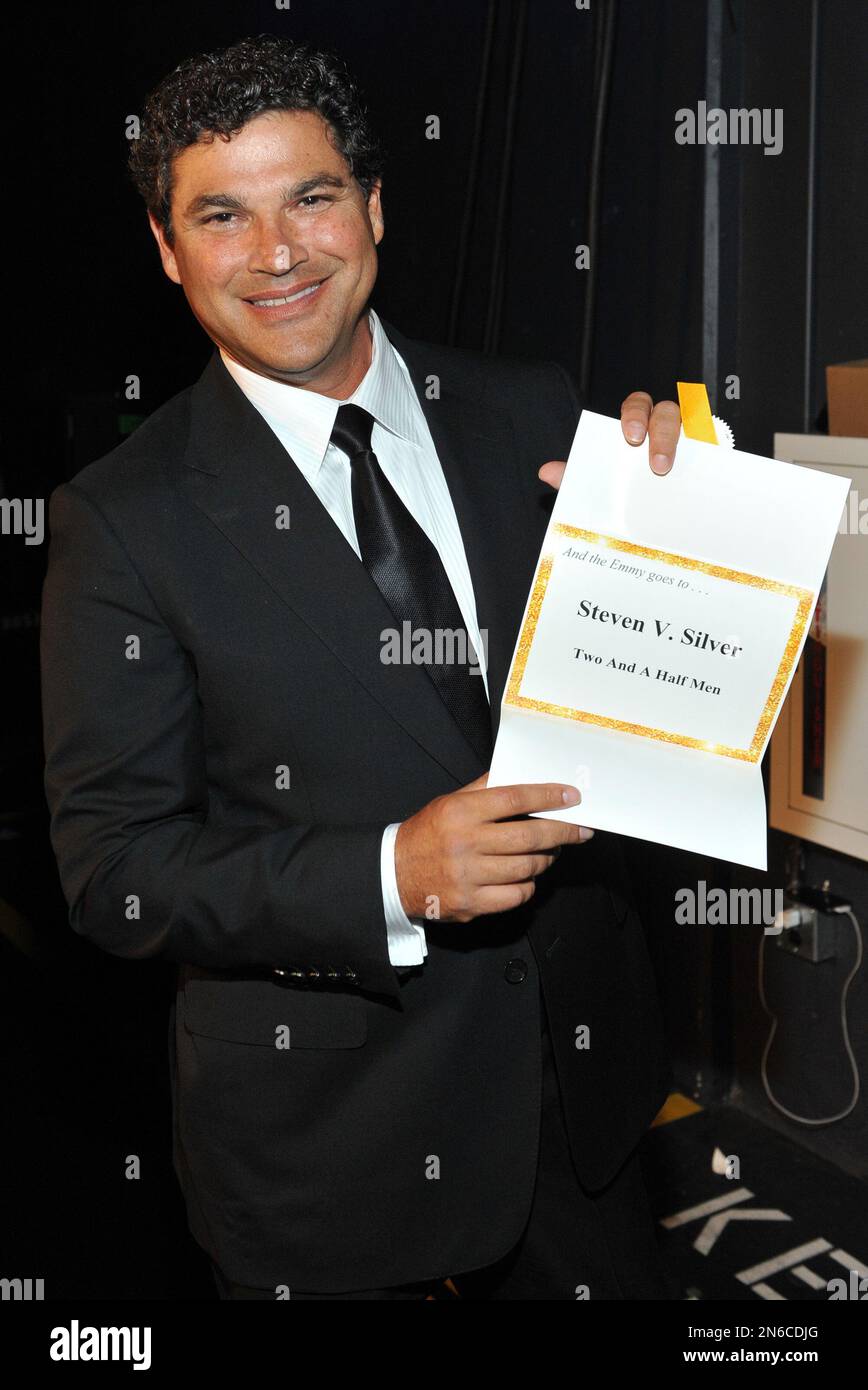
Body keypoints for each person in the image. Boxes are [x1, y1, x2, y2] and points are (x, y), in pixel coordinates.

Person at [40, 34, 683, 1300]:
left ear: (375, 206)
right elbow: (113, 872)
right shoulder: (122, 519)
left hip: (584, 1112)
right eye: (222, 216)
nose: (276, 254)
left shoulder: (529, 408)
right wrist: (396, 873)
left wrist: (684, 525)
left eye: (312, 198)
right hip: (336, 1158)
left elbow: (634, 714)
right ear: (171, 253)